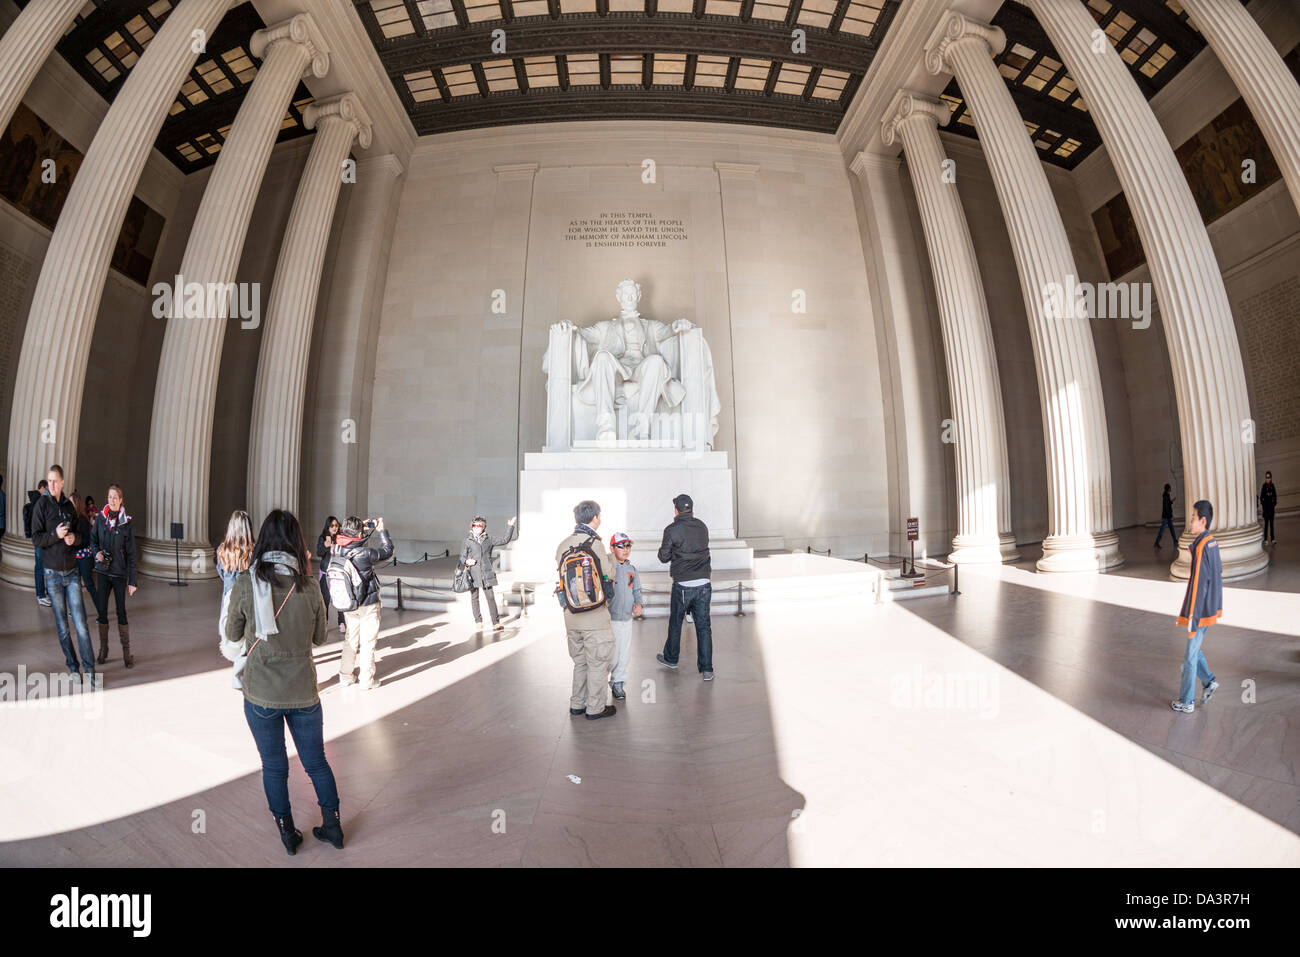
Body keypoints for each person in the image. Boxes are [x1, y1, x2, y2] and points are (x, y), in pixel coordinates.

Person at [224, 509, 342, 855]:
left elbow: (232, 635)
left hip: (261, 693)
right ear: (296, 542)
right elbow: (320, 638)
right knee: (316, 762)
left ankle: (287, 833)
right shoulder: (310, 587)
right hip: (303, 692)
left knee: (274, 766)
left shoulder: (246, 583)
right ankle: (333, 828)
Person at [31, 465, 95, 681]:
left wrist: (74, 539)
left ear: (62, 483)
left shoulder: (69, 506)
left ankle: (90, 669)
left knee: (81, 624)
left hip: (72, 573)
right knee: (63, 628)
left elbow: (81, 537)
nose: (51, 484)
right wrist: (55, 535)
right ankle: (73, 667)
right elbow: (36, 539)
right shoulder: (41, 505)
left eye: (55, 481)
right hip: (52, 575)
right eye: (49, 480)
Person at [557, 500, 616, 720]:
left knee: (580, 663)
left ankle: (577, 704)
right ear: (595, 518)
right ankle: (595, 708)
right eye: (599, 515)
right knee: (598, 664)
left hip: (571, 616)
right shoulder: (595, 544)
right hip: (595, 617)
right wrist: (611, 557)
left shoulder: (563, 545)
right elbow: (608, 574)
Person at [656, 493, 714, 680]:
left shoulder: (672, 530)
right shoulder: (702, 526)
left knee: (676, 622)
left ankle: (671, 658)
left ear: (676, 509)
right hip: (704, 582)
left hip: (682, 584)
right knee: (704, 626)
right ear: (691, 508)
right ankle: (707, 669)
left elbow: (663, 557)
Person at [1172, 500, 1222, 714]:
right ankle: (1209, 682)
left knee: (1189, 657)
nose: (1190, 521)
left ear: (1203, 521)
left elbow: (1200, 585)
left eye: (1193, 518)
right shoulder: (1211, 542)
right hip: (1209, 607)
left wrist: (1193, 615)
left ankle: (1187, 701)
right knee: (1194, 649)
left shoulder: (1202, 547)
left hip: (1201, 611)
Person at [333, 516, 393, 690]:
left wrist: (359, 530)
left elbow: (347, 538)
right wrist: (381, 531)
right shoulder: (364, 553)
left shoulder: (337, 549)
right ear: (359, 534)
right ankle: (366, 680)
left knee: (350, 639)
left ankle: (346, 676)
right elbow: (387, 551)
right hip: (368, 604)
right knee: (368, 642)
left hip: (349, 602)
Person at [89, 485, 138, 667]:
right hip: (102, 572)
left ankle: (126, 653)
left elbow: (132, 554)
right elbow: (93, 540)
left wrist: (132, 581)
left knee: (121, 612)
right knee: (101, 611)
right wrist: (97, 553)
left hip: (119, 574)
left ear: (121, 500)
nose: (112, 500)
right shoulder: (100, 519)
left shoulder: (126, 523)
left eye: (115, 497)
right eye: (110, 497)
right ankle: (103, 650)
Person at [460, 515, 517, 631]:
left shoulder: (489, 539)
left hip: (486, 573)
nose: (476, 527)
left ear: (483, 527)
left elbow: (504, 540)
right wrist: (467, 561)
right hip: (473, 573)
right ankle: (478, 620)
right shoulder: (467, 541)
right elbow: (462, 557)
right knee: (474, 597)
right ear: (472, 526)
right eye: (474, 525)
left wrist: (510, 526)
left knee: (490, 597)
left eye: (479, 525)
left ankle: (496, 622)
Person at [605, 532, 643, 700]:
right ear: (612, 548)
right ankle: (600, 681)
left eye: (628, 546)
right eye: (621, 546)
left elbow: (636, 590)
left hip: (627, 619)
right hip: (610, 619)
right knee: (612, 655)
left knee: (624, 654)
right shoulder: (608, 568)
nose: (626, 549)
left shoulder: (631, 570)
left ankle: (618, 682)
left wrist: (638, 604)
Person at [315, 516, 345, 634]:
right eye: (332, 525)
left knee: (340, 598)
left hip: (338, 572)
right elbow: (319, 553)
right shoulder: (323, 537)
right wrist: (325, 546)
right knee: (325, 598)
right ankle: (325, 622)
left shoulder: (340, 537)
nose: (334, 528)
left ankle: (341, 622)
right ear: (328, 526)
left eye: (336, 525)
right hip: (325, 572)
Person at [217, 510, 255, 599]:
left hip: (229, 596)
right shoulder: (255, 551)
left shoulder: (222, 550)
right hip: (248, 596)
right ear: (249, 528)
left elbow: (221, 574)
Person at [24, 479, 50, 606]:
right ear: (43, 487)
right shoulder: (39, 501)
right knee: (40, 567)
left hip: (39, 538)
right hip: (41, 539)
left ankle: (42, 594)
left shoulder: (36, 500)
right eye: (48, 488)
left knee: (40, 567)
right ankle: (41, 595)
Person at [69, 492, 96, 596]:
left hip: (84, 557)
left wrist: (74, 542)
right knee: (75, 584)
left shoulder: (82, 519)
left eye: (71, 502)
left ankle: (100, 604)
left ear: (76, 503)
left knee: (89, 584)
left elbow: (85, 541)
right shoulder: (72, 518)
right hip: (75, 556)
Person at [1154, 483, 1176, 547]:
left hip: (1167, 516)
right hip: (1166, 517)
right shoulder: (1166, 496)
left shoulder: (1166, 495)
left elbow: (1168, 504)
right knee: (1162, 530)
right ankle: (1157, 542)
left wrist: (1172, 501)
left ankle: (1175, 541)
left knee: (1172, 529)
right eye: (1170, 487)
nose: (1171, 488)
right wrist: (1170, 516)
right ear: (1168, 488)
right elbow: (1166, 507)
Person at [1260, 470, 1277, 545]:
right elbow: (1261, 498)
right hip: (1266, 510)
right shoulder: (1264, 486)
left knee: (1272, 525)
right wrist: (1264, 506)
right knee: (1266, 525)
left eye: (1269, 477)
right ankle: (1266, 539)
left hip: (1271, 509)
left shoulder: (1272, 486)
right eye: (1266, 477)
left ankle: (1273, 539)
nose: (1267, 479)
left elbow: (1275, 496)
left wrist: (1273, 504)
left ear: (1271, 478)